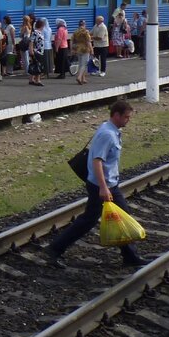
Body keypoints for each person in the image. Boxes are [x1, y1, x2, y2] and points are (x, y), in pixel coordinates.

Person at [44, 100, 146, 269]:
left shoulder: (110, 129)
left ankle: (130, 255)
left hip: (109, 184)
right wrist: (104, 188)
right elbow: (97, 161)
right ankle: (55, 249)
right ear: (116, 115)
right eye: (126, 117)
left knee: (120, 217)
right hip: (102, 186)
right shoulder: (108, 134)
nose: (128, 120)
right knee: (89, 220)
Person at [71, 20, 93, 85]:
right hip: (85, 49)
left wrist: (72, 49)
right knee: (84, 64)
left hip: (78, 49)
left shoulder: (75, 31)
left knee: (80, 63)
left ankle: (83, 78)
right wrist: (92, 50)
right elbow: (88, 42)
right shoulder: (86, 32)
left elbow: (72, 41)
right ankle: (79, 77)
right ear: (84, 24)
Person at [27, 18, 46, 86]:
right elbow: (31, 41)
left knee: (34, 65)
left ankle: (31, 79)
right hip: (37, 51)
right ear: (42, 26)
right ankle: (37, 80)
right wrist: (31, 50)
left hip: (39, 51)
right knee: (38, 65)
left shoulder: (39, 32)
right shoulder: (35, 32)